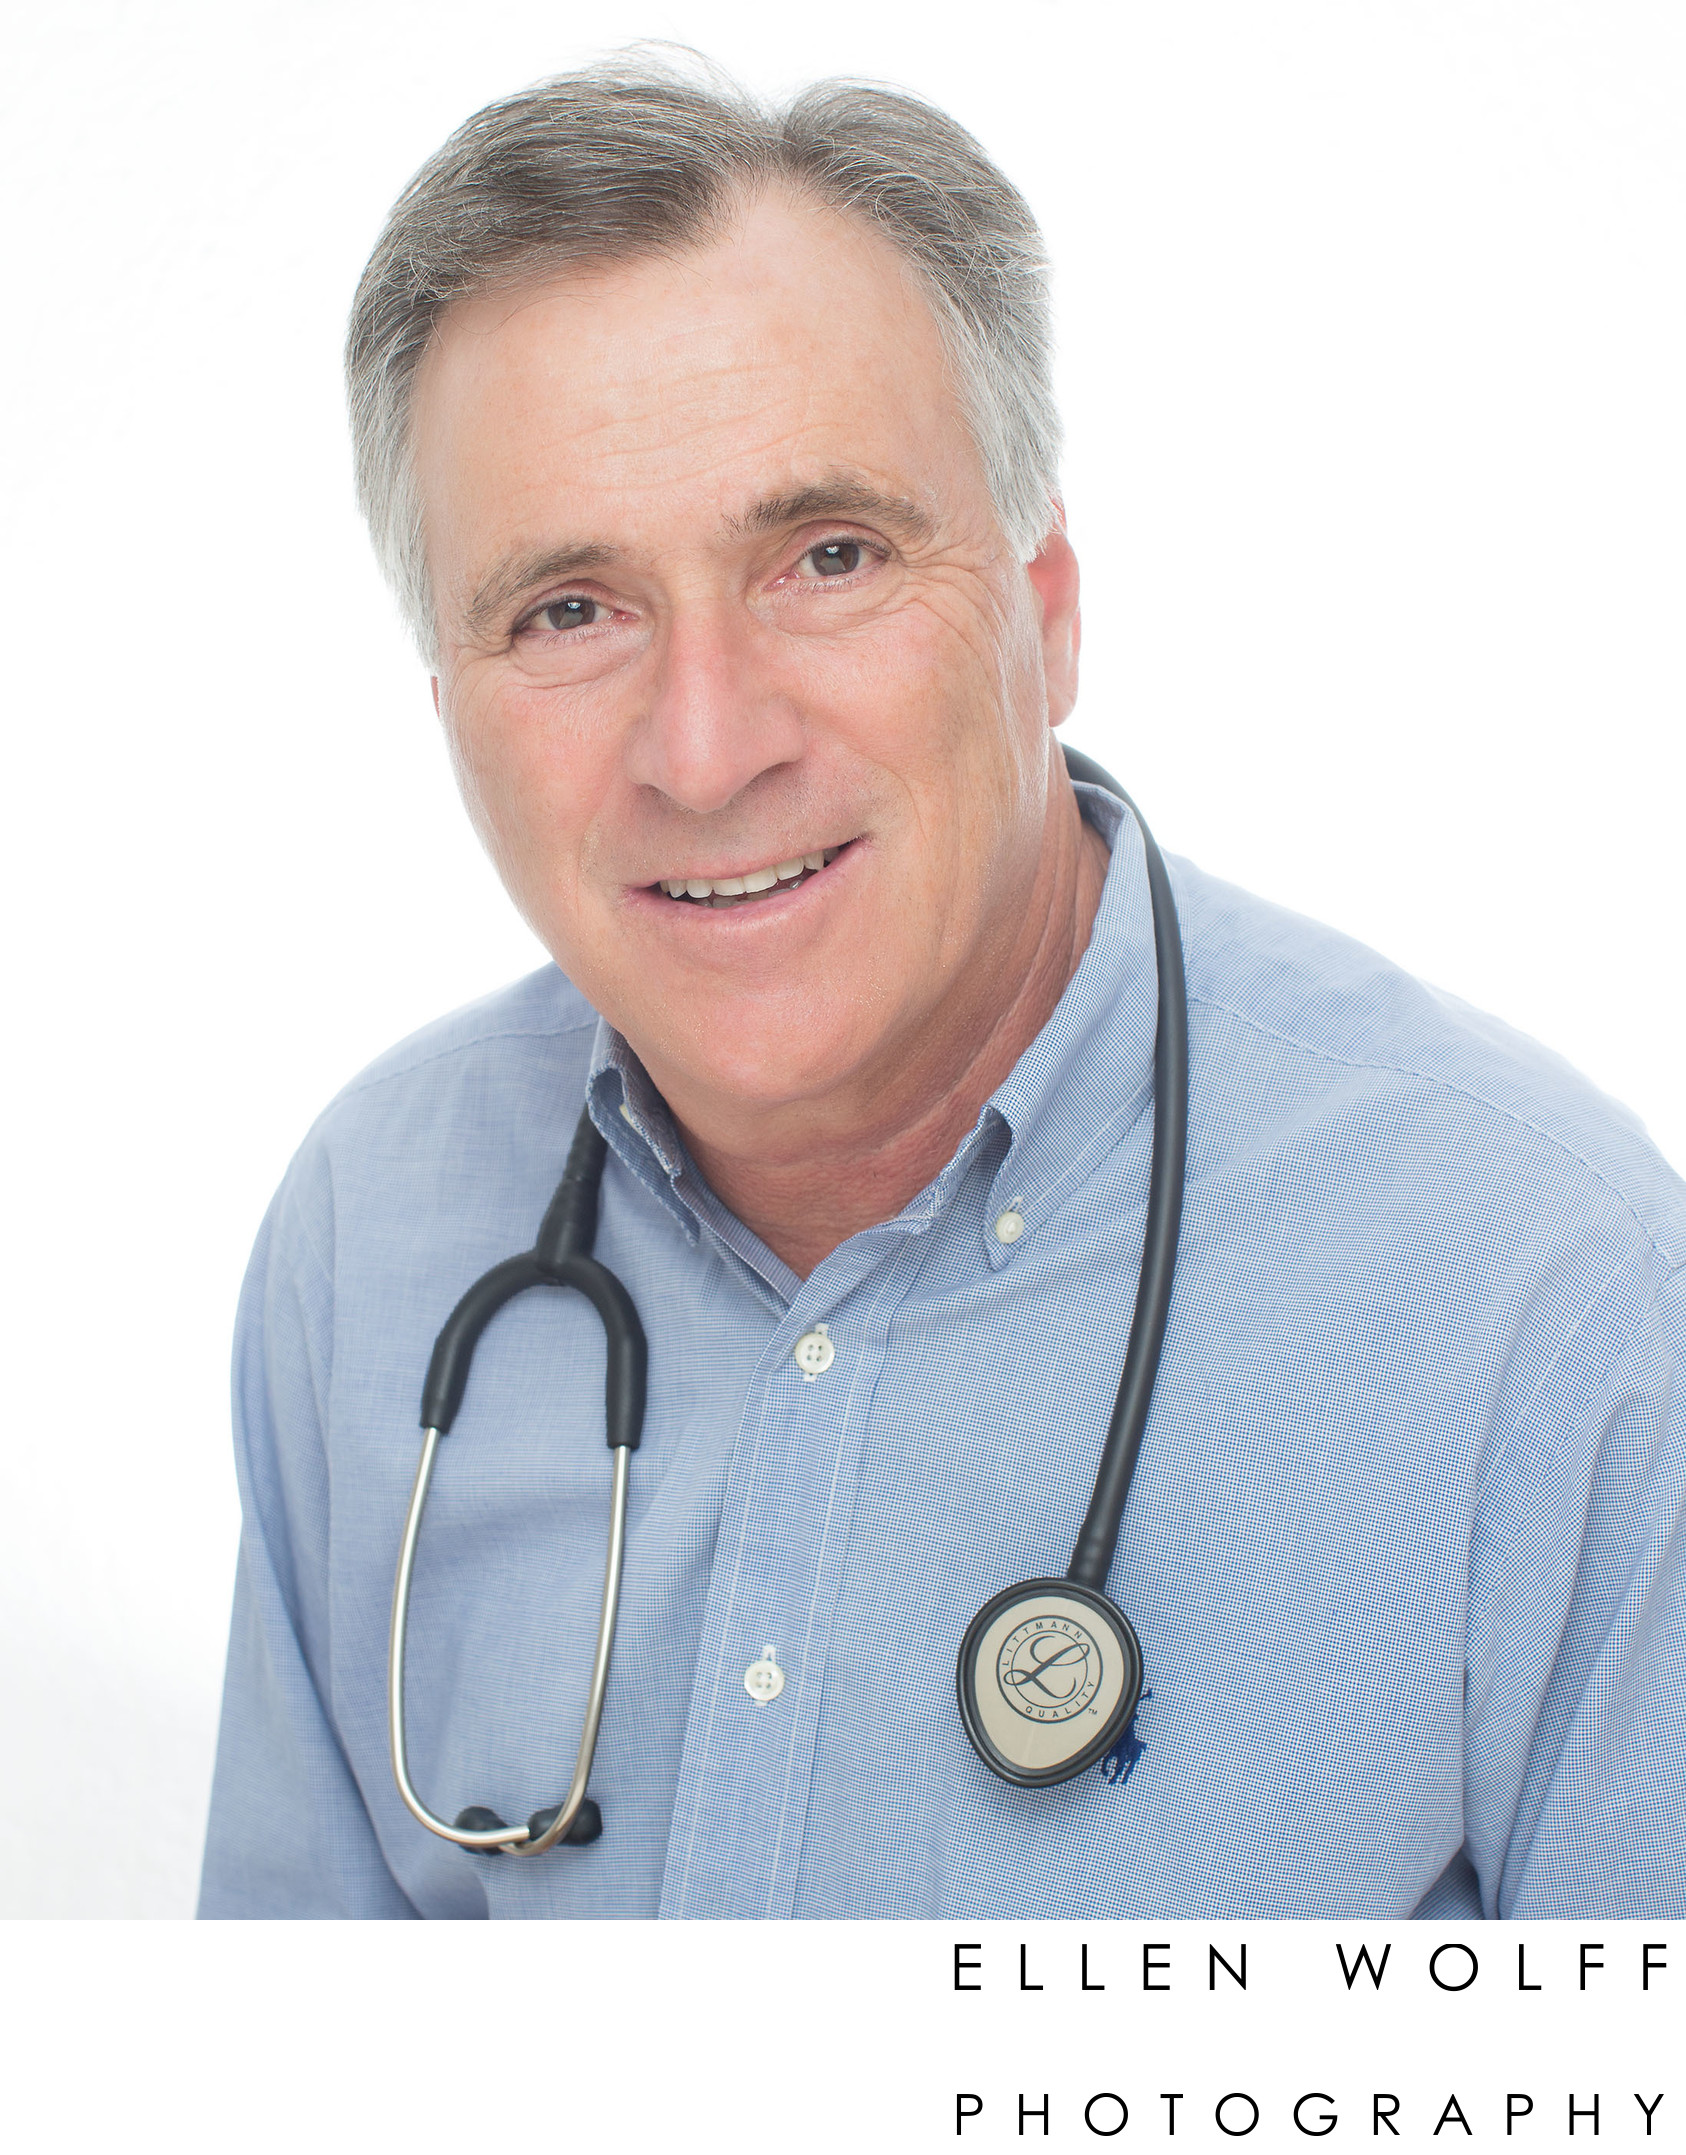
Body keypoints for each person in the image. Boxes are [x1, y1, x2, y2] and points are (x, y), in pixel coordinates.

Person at [199, 56, 1686, 1919]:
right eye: (568, 610)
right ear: (447, 707)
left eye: (827, 559)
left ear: (1045, 607)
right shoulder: (378, 1233)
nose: (704, 744)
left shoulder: (1556, 1310)